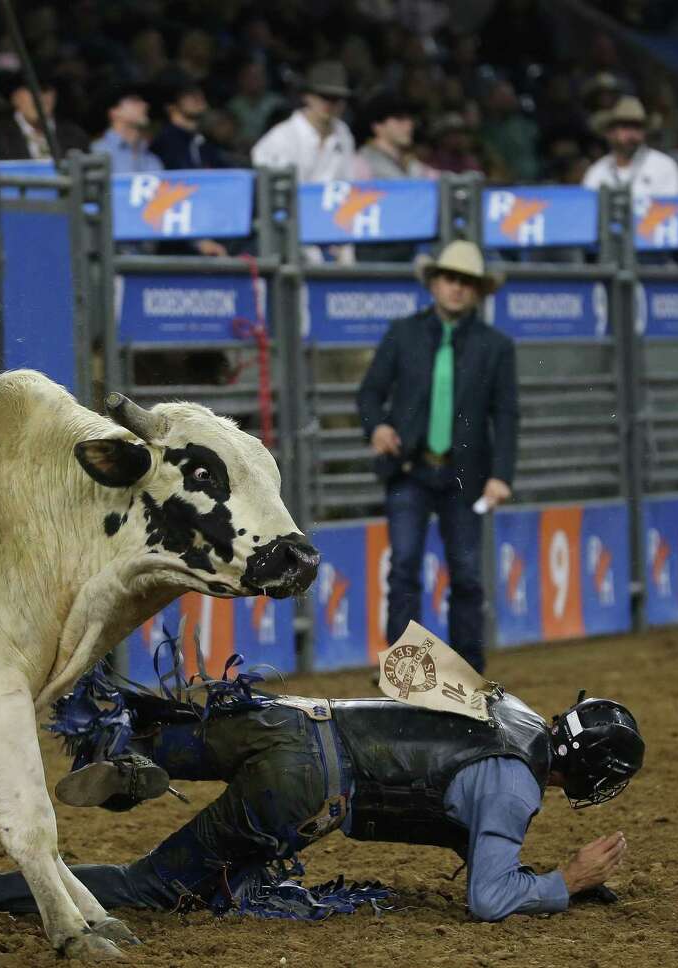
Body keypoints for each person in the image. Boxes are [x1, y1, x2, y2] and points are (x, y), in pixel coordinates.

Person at [0, 661, 643, 922]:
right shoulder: (516, 792)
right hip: (304, 786)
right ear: (591, 782)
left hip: (287, 719)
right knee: (149, 886)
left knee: (132, 724)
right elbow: (489, 899)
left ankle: (130, 755)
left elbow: (405, 666)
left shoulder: (507, 704)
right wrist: (562, 882)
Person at [356, 241, 517, 674]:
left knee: (466, 576)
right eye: (451, 278)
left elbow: (506, 414)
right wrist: (377, 427)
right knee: (404, 568)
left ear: (478, 291)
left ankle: (470, 674)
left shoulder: (496, 346)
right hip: (409, 469)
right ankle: (403, 671)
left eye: (467, 282)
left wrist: (502, 474)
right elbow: (370, 392)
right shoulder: (402, 333)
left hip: (465, 476)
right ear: (434, 283)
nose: (458, 288)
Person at [251, 60, 355, 182]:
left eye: (337, 98)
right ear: (307, 96)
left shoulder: (343, 133)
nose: (330, 103)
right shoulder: (282, 137)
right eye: (323, 96)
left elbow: (348, 183)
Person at [583, 95, 678, 199]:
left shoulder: (663, 166)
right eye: (626, 127)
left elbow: (671, 211)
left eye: (637, 127)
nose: (632, 134)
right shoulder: (597, 172)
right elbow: (586, 210)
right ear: (610, 132)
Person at [0, 71, 89, 162]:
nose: (39, 97)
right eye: (31, 89)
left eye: (45, 89)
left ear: (55, 95)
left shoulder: (75, 136)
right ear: (15, 97)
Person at [350, 92, 434, 181]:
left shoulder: (409, 162)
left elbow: (439, 178)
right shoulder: (361, 163)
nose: (409, 124)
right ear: (378, 126)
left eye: (410, 118)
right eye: (400, 118)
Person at [149, 76, 227, 170]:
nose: (198, 97)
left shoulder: (206, 141)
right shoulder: (165, 142)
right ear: (171, 106)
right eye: (188, 95)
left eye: (200, 93)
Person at [89, 84, 163, 175]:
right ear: (114, 111)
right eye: (134, 100)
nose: (145, 105)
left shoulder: (151, 157)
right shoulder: (98, 152)